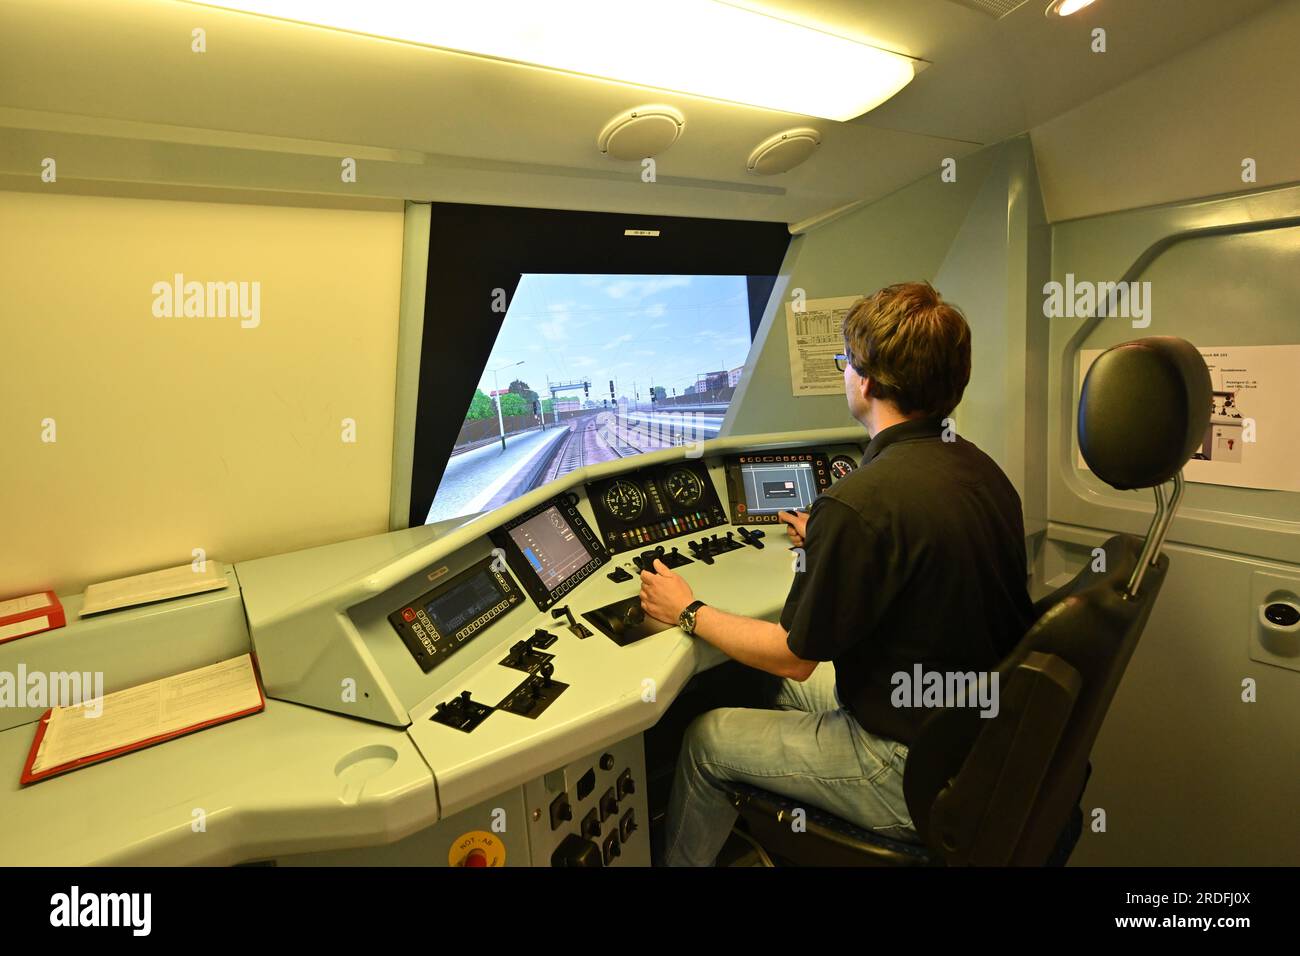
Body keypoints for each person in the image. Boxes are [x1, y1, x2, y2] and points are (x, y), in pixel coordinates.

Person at [639, 281, 1035, 866]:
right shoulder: (982, 470)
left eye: (846, 363)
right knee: (766, 687)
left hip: (907, 768)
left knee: (705, 740)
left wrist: (687, 610)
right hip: (977, 739)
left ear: (866, 381)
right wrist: (830, 542)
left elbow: (794, 654)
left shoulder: (859, 503)